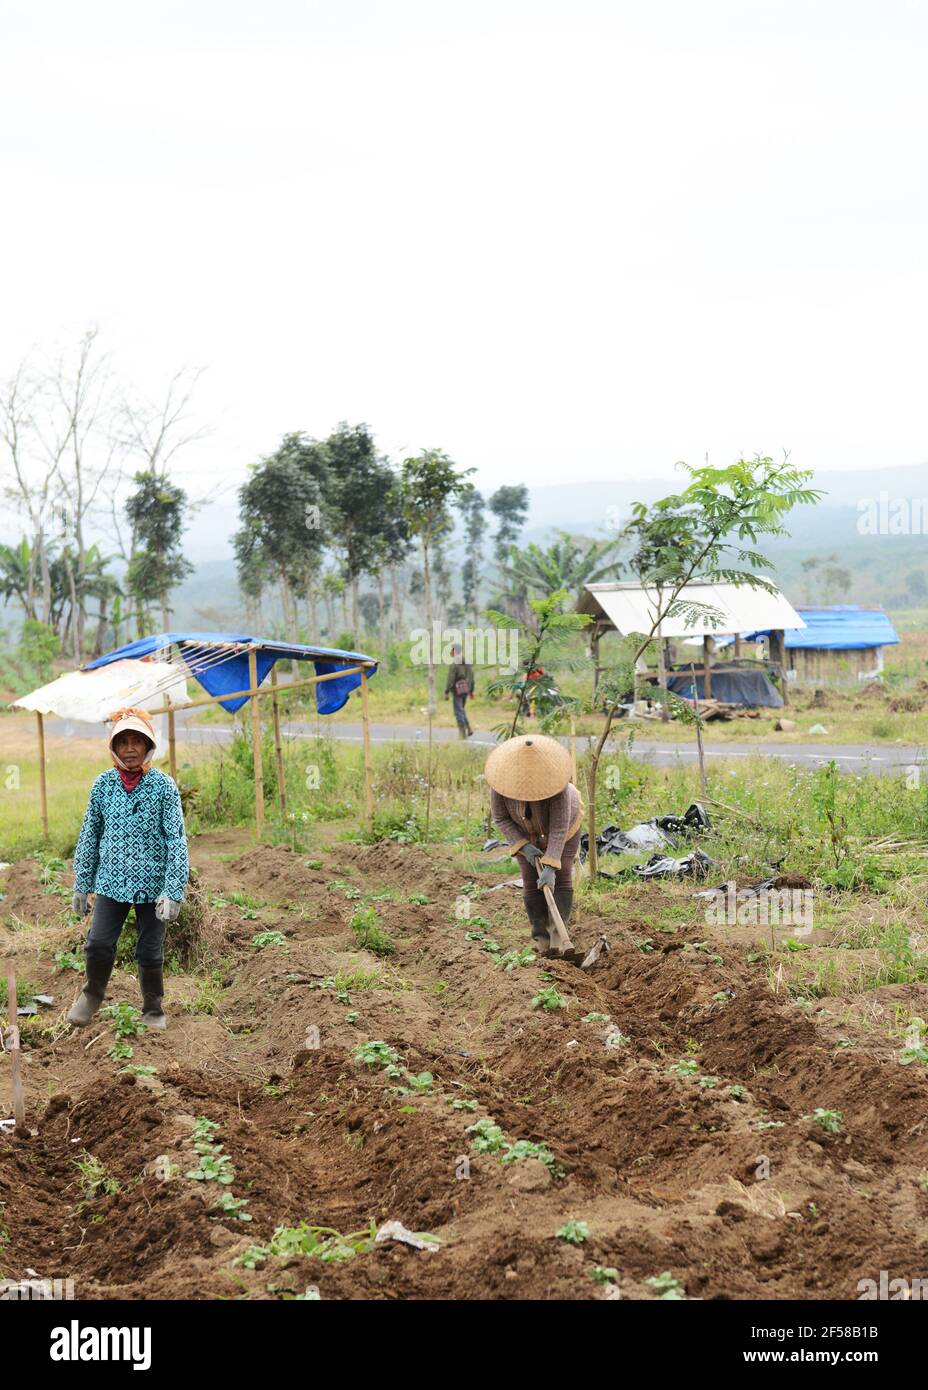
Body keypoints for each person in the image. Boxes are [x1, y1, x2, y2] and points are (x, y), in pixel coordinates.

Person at [67, 708, 189, 1031]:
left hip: (153, 887)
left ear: (149, 746)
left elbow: (176, 840)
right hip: (111, 882)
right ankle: (92, 995)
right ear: (114, 747)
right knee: (98, 943)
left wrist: (172, 891)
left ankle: (152, 1008)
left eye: (138, 741)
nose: (131, 749)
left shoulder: (164, 787)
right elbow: (89, 835)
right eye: (124, 742)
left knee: (150, 950)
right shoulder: (103, 786)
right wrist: (83, 882)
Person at [484, 733, 582, 954]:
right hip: (523, 833)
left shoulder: (559, 788)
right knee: (530, 879)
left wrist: (550, 865)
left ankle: (559, 937)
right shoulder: (500, 784)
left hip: (565, 829)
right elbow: (501, 818)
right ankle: (542, 939)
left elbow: (558, 828)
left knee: (562, 874)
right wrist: (523, 845)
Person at [444, 643, 474, 739]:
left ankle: (462, 733)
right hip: (466, 690)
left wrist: (447, 691)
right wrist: (471, 691)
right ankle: (468, 728)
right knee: (461, 710)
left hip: (457, 690)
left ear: (455, 651)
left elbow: (451, 679)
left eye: (451, 650)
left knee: (458, 712)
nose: (450, 652)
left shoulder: (454, 664)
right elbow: (472, 677)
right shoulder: (467, 663)